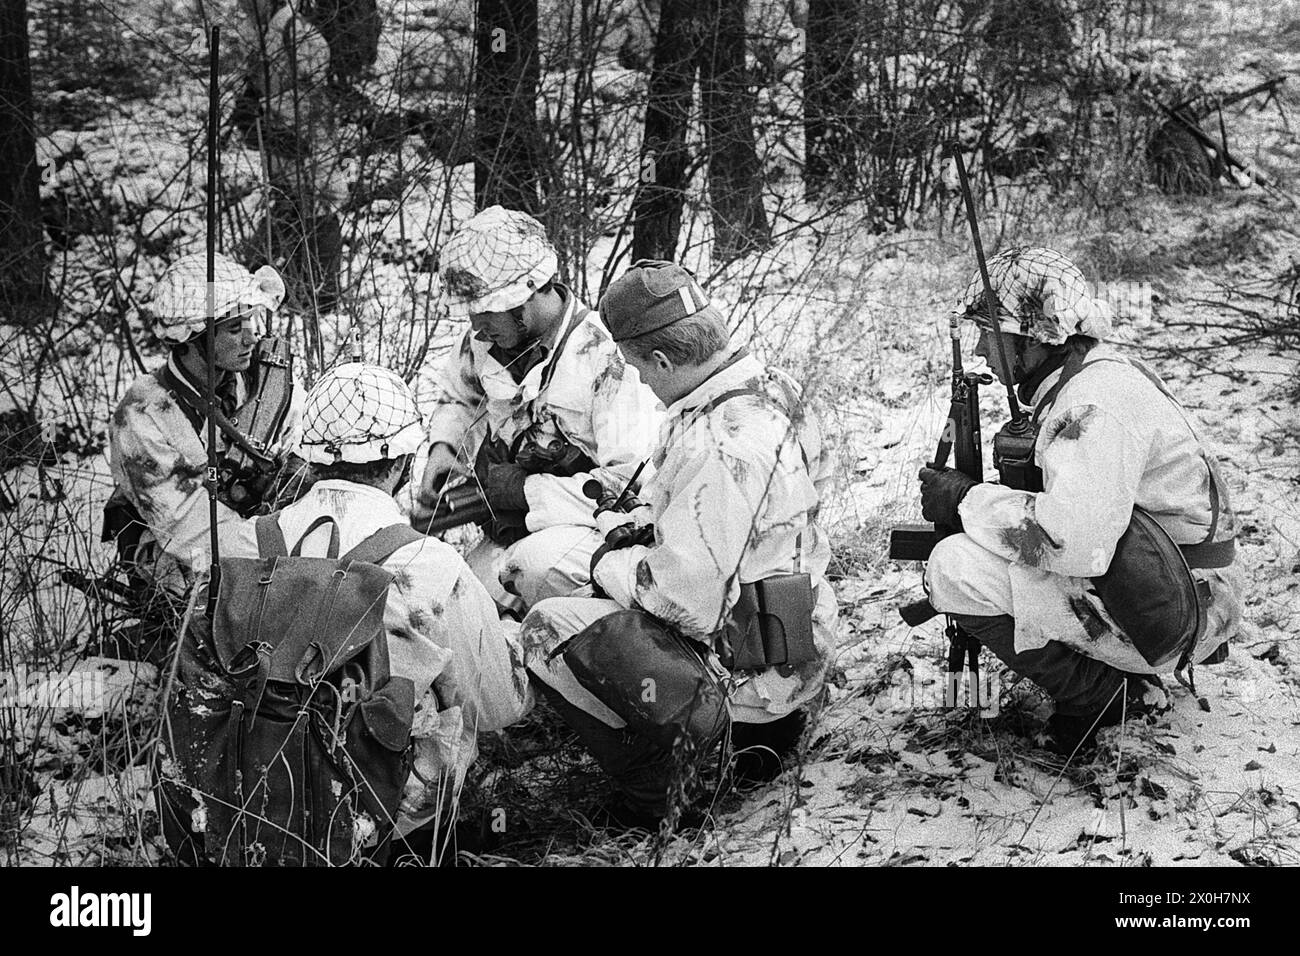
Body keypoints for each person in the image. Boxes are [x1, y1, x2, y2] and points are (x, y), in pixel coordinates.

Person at [518, 260, 838, 826]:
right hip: (795, 643)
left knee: (544, 623)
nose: (640, 382)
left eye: (641, 369)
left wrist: (611, 561)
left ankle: (667, 786)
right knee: (570, 581)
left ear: (663, 360)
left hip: (749, 695)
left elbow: (682, 601)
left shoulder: (720, 440)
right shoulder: (774, 387)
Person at [918, 247, 1243, 753]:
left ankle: (1104, 695)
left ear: (1033, 337)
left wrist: (965, 500)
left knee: (953, 567)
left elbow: (1068, 544)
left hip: (1175, 607)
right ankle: (1109, 673)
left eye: (990, 330)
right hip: (1175, 584)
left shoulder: (1091, 404)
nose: (981, 346)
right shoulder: (1096, 374)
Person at [210, 362, 532, 839]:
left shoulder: (238, 546)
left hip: (240, 798)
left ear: (311, 459)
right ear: (403, 463)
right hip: (377, 814)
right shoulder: (432, 563)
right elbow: (500, 707)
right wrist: (507, 633)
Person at [415, 206, 663, 612]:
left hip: (590, 538)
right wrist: (445, 448)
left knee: (537, 595)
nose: (476, 326)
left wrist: (526, 494)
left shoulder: (607, 356)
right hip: (510, 531)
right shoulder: (483, 342)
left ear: (526, 295)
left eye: (485, 309)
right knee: (452, 607)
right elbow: (461, 399)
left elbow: (631, 489)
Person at [106, 253, 305, 593]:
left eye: (251, 320)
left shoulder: (262, 380)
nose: (250, 337)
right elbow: (190, 530)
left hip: (270, 534)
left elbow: (300, 447)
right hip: (191, 567)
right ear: (191, 338)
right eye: (232, 328)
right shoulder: (142, 417)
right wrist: (289, 557)